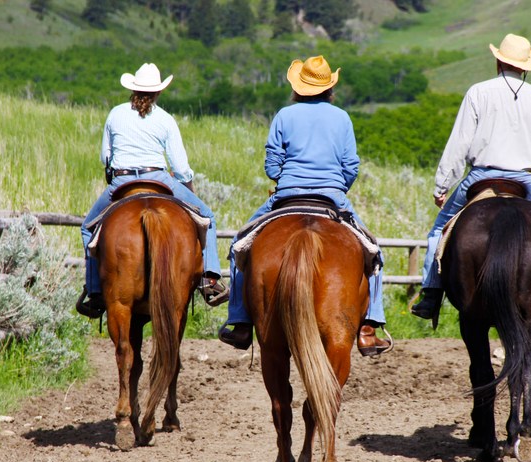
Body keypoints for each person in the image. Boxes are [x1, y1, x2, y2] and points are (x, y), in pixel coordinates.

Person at [217, 55, 392, 356]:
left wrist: (286, 176)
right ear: (329, 88)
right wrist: (336, 186)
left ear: (298, 86)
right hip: (332, 198)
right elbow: (351, 166)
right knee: (373, 253)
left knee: (238, 246)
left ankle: (240, 321)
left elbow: (272, 166)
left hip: (286, 195)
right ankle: (369, 327)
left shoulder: (284, 115)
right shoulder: (342, 118)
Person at [409, 33, 531, 329]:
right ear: (526, 67)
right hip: (526, 180)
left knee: (439, 231)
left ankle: (431, 293)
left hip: (482, 176)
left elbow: (459, 144)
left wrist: (442, 185)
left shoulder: (478, 92)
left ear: (498, 60)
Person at [76, 62, 227, 317]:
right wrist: (189, 189)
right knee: (208, 217)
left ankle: (94, 289)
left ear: (133, 89)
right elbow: (180, 167)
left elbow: (105, 158)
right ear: (158, 92)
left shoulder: (115, 114)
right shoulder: (165, 119)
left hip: (122, 181)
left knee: (87, 227)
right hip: (158, 178)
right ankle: (210, 279)